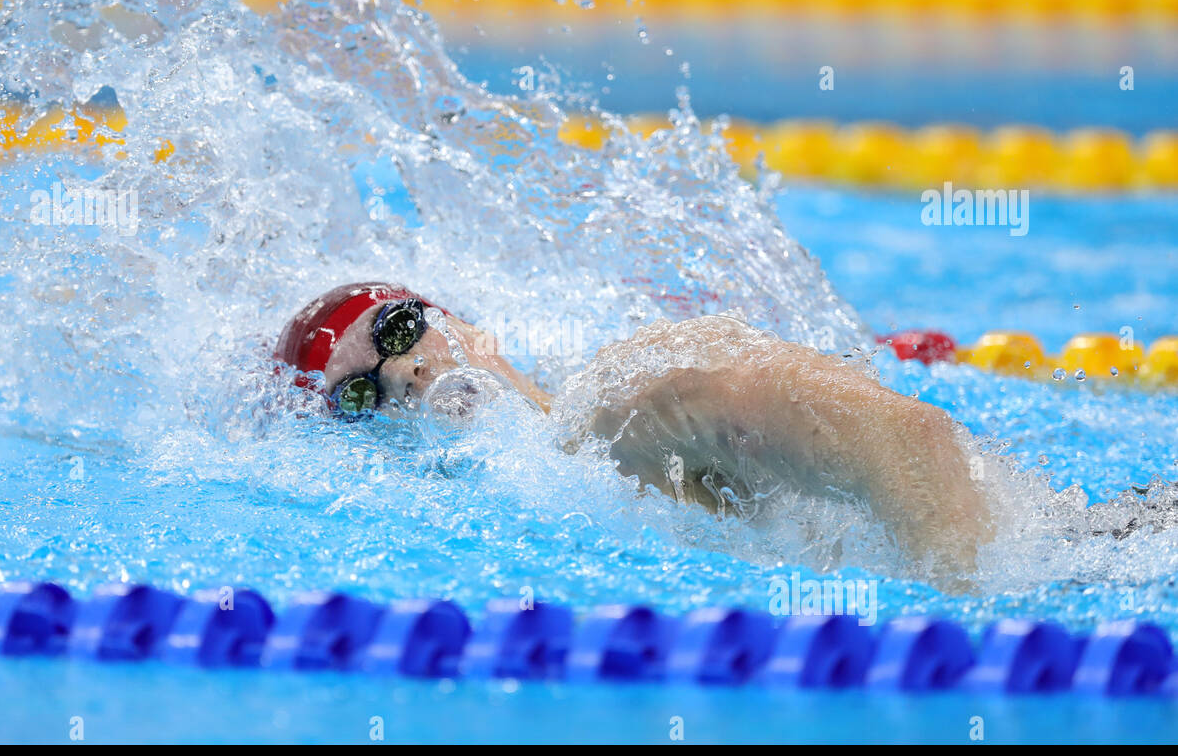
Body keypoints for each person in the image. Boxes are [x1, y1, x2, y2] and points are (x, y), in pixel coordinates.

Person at [276, 282, 994, 585]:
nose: (404, 372)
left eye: (398, 329)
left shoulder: (617, 403)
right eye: (361, 393)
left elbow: (913, 440)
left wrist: (967, 627)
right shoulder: (537, 501)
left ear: (460, 323)